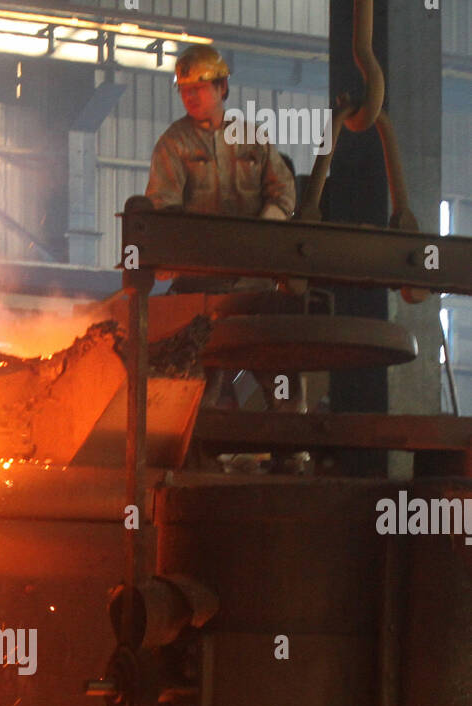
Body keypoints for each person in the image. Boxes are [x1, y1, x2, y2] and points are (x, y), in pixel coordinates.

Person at [146, 44, 309, 466]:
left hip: (253, 284)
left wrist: (262, 235)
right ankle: (201, 466)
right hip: (199, 286)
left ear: (222, 87)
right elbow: (162, 210)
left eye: (199, 87)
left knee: (280, 373)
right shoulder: (173, 145)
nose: (190, 96)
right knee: (200, 384)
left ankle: (291, 459)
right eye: (184, 89)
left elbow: (284, 192)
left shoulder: (251, 138)